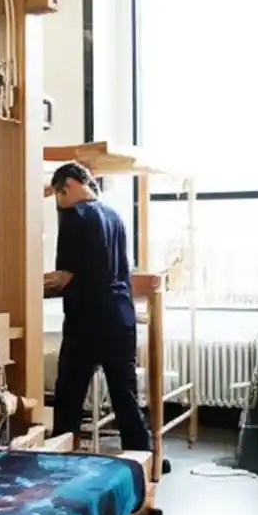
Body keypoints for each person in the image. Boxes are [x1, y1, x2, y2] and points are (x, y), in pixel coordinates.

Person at [45, 162, 157, 457]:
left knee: (69, 395)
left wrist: (37, 284)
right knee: (125, 395)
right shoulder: (115, 216)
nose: (59, 202)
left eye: (59, 194)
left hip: (87, 319)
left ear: (67, 186)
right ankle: (143, 458)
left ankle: (61, 459)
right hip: (121, 316)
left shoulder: (75, 217)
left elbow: (64, 277)